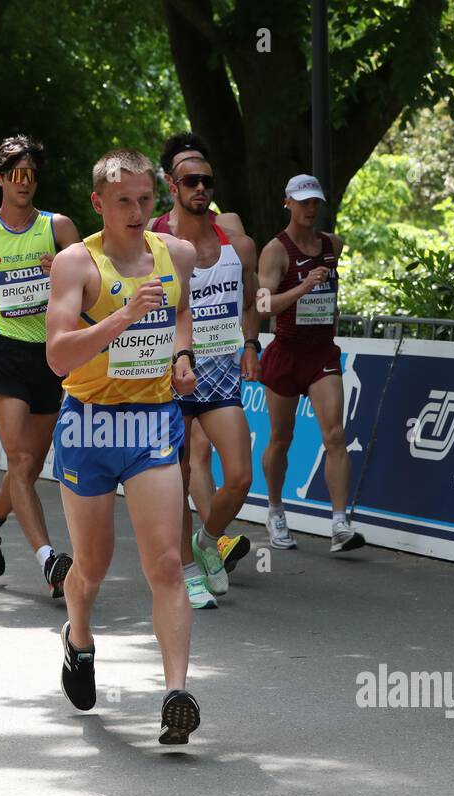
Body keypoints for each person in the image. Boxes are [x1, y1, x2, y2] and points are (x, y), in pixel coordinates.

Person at [46, 148, 202, 745]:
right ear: (98, 204)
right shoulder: (75, 265)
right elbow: (58, 354)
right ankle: (78, 637)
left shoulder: (176, 255)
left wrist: (182, 354)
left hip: (152, 423)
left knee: (165, 562)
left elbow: (181, 310)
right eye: (124, 202)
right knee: (92, 565)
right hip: (89, 426)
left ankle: (175, 695)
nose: (138, 212)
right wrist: (123, 318)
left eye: (145, 200)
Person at [0, 134, 80, 598]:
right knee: (21, 460)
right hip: (5, 354)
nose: (25, 183)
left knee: (30, 465)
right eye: (16, 174)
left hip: (50, 356)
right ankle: (50, 561)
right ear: (0, 178)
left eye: (31, 174)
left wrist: (61, 272)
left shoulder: (58, 228)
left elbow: (92, 281)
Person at [152, 154, 260, 608]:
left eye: (207, 181)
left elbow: (254, 298)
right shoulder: (156, 243)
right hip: (171, 376)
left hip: (221, 374)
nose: (200, 188)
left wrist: (251, 343)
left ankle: (208, 537)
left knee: (238, 475)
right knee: (176, 478)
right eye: (191, 181)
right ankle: (188, 574)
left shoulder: (239, 245)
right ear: (173, 186)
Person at [257, 175, 365, 553]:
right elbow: (262, 305)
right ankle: (275, 510)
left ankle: (339, 524)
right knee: (281, 439)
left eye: (315, 201)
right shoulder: (275, 250)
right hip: (286, 351)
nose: (310, 209)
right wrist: (302, 288)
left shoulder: (332, 245)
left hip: (321, 352)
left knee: (335, 434)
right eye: (303, 202)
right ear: (287, 202)